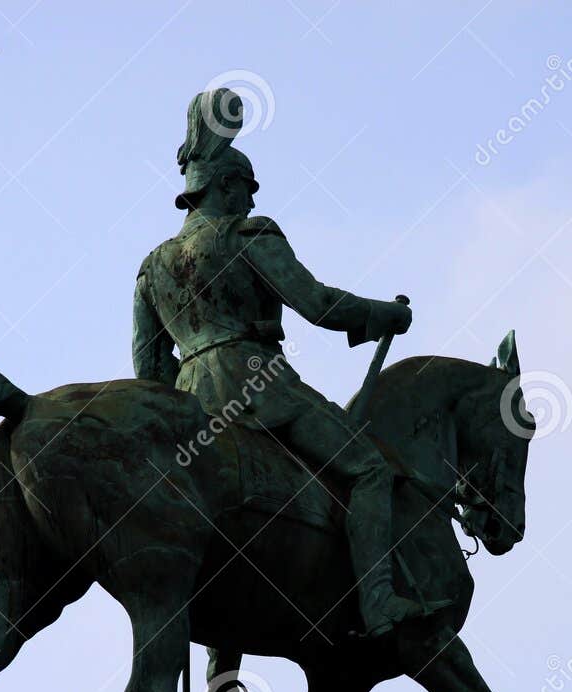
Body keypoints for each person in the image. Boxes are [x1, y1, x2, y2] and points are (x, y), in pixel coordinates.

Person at [133, 89, 424, 637]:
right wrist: (383, 314)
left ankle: (224, 653)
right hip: (260, 386)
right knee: (368, 469)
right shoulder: (250, 234)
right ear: (224, 185)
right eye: (246, 188)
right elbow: (316, 304)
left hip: (192, 403)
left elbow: (148, 371)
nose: (249, 199)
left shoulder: (152, 268)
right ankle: (380, 602)